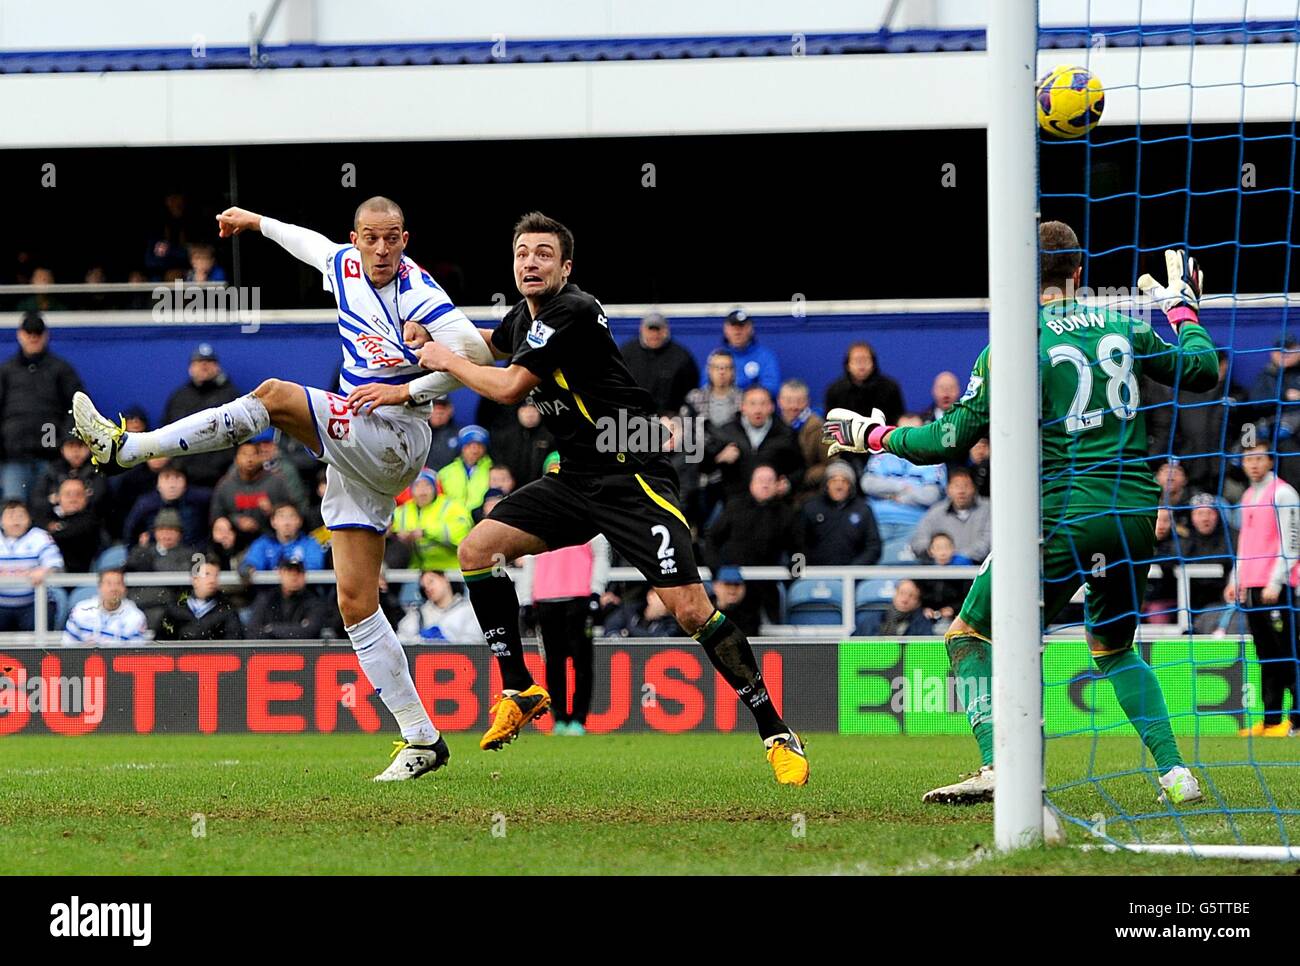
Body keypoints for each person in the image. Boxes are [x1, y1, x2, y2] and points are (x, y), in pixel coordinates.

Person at [73, 196, 495, 780]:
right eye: (370, 237)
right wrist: (255, 223)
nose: (380, 248)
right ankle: (421, 738)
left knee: (272, 397)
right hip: (358, 448)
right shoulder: (344, 263)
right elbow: (309, 244)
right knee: (356, 602)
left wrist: (410, 390)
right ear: (356, 236)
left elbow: (474, 356)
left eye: (392, 238)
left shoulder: (420, 292)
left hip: (395, 435)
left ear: (405, 238)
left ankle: (128, 449)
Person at [824, 225, 1218, 806]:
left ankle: (996, 767)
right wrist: (1180, 307)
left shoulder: (1014, 341)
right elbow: (1203, 369)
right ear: (1079, 274)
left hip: (1064, 514)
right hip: (1136, 513)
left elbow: (949, 437)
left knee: (969, 634)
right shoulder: (1124, 325)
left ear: (1021, 275)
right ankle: (1175, 773)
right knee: (1113, 648)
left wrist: (873, 434)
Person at [415, 211, 809, 784]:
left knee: (692, 611)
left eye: (544, 253)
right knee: (477, 550)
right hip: (576, 478)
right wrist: (429, 339)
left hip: (634, 475)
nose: (531, 261)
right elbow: (483, 346)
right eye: (523, 252)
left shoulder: (572, 309)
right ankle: (521, 688)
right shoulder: (521, 319)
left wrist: (443, 358)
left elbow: (505, 385)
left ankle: (775, 729)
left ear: (565, 266)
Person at [1224, 444, 1300, 736]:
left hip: (1275, 588)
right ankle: (1270, 720)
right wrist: (1236, 579)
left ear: (1269, 461)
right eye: (1248, 459)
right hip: (1253, 587)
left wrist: (1276, 580)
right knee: (1266, 654)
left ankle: (1296, 720)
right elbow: (1245, 544)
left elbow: (1291, 541)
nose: (1253, 464)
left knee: (1287, 652)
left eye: (1258, 459)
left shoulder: (1283, 493)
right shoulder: (1248, 496)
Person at [523, 527, 610, 736]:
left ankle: (579, 718)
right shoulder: (538, 519)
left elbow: (601, 555)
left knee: (581, 662)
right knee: (553, 664)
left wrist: (596, 590)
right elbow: (530, 561)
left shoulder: (587, 517)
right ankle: (559, 718)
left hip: (579, 597)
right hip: (545, 599)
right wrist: (526, 599)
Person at [0, 313, 84, 505]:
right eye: (29, 332)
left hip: (51, 457)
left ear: (46, 335)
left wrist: (67, 442)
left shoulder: (61, 369)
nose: (33, 337)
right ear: (20, 334)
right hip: (13, 458)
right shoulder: (6, 371)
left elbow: (78, 406)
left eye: (37, 332)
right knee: (13, 509)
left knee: (46, 509)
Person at [706, 464, 799, 626]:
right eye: (761, 480)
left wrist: (795, 569)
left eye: (770, 480)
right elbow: (711, 539)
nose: (765, 484)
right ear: (751, 484)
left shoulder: (786, 514)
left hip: (767, 589)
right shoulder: (734, 507)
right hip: (734, 586)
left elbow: (799, 549)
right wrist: (717, 570)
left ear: (778, 485)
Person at [703, 385, 805, 501]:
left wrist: (789, 483)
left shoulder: (786, 433)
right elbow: (702, 467)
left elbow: (800, 468)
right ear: (743, 407)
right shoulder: (726, 432)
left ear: (771, 407)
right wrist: (719, 458)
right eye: (752, 404)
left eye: (763, 404)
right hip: (734, 502)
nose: (758, 410)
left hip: (774, 504)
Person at [860, 413, 946, 551]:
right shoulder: (882, 455)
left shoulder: (933, 458)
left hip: (915, 522)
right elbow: (868, 483)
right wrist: (902, 486)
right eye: (903, 431)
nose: (908, 437)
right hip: (879, 520)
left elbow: (932, 495)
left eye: (913, 432)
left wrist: (895, 495)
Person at [161, 343, 241, 488]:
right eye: (199, 362)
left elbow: (242, 436)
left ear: (217, 367)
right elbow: (166, 432)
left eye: (209, 362)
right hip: (184, 479)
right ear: (191, 368)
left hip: (222, 477)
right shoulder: (179, 397)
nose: (204, 366)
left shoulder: (231, 396)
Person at [799, 460, 881, 566]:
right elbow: (799, 544)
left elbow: (873, 546)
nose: (839, 486)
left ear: (850, 486)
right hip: (815, 575)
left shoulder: (863, 510)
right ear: (827, 484)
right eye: (833, 480)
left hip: (854, 578)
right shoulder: (811, 508)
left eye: (844, 481)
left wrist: (854, 569)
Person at [390, 469, 472, 572]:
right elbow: (392, 533)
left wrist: (425, 532)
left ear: (435, 488)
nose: (422, 491)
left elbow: (461, 532)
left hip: (451, 571)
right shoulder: (401, 511)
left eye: (427, 485)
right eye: (417, 486)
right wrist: (398, 537)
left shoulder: (452, 506)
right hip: (416, 572)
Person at [0, 500, 63, 632]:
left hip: (33, 603)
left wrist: (45, 570)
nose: (15, 521)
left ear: (29, 519)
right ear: (1, 520)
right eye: (10, 516)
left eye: (20, 516)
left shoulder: (39, 536)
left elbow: (55, 563)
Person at [620, 312, 700, 414]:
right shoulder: (626, 353)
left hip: (670, 418)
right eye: (650, 329)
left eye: (658, 330)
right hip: (633, 416)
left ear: (666, 330)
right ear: (642, 329)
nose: (654, 334)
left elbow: (691, 390)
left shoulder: (681, 357)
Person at [908, 467, 991, 563]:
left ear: (974, 488)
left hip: (978, 569)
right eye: (956, 486)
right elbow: (918, 541)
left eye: (966, 485)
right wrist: (934, 553)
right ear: (948, 489)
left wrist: (958, 557)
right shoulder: (936, 512)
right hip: (939, 570)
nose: (961, 491)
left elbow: (988, 542)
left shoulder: (988, 509)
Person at [122, 460, 211, 549]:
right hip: (156, 557)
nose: (172, 485)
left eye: (177, 477)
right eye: (166, 478)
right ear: (158, 483)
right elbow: (130, 532)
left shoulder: (201, 499)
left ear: (185, 482)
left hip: (195, 554)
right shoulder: (145, 504)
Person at [156, 558, 244, 641]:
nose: (212, 580)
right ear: (195, 579)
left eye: (216, 576)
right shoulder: (175, 608)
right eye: (207, 574)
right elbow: (162, 641)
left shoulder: (226, 609)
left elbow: (233, 642)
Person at [247, 555, 332, 640]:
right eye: (289, 571)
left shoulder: (314, 601)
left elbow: (309, 632)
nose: (294, 577)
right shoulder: (267, 599)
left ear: (304, 575)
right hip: (271, 652)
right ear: (280, 573)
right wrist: (296, 628)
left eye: (298, 572)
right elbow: (253, 631)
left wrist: (271, 629)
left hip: (302, 651)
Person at [824, 341, 904, 426]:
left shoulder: (890, 388)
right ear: (848, 364)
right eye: (857, 360)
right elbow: (830, 424)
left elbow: (897, 420)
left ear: (873, 363)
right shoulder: (835, 391)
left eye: (865, 360)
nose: (861, 365)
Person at [62, 568, 148, 645]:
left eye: (118, 583)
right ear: (99, 587)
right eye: (108, 584)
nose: (114, 589)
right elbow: (68, 645)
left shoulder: (136, 617)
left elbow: (136, 656)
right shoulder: (81, 610)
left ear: (125, 589)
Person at [34, 477, 102, 573]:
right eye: (68, 494)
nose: (73, 499)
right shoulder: (47, 516)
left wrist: (54, 529)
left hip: (83, 578)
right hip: (50, 579)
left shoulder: (91, 519)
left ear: (86, 498)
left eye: (78, 494)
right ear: (57, 497)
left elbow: (70, 534)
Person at [397, 569, 482, 643]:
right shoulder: (418, 614)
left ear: (445, 578)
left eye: (431, 581)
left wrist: (448, 642)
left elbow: (474, 642)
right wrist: (421, 641)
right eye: (424, 587)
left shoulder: (468, 610)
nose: (428, 588)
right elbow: (402, 638)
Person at [778, 378, 829, 501]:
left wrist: (801, 479)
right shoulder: (774, 425)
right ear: (779, 401)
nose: (793, 406)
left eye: (799, 401)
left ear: (807, 402)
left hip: (807, 490)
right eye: (788, 401)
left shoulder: (818, 427)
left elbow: (830, 464)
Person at [241, 502, 325, 573]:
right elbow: (252, 562)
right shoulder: (263, 543)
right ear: (273, 522)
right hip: (269, 591)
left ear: (299, 521)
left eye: (291, 517)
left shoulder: (310, 543)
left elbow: (314, 566)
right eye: (281, 517)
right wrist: (248, 568)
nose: (286, 523)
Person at [717, 309, 780, 396]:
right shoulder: (717, 357)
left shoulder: (764, 356)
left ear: (750, 329)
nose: (737, 332)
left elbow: (772, 387)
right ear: (726, 330)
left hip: (755, 407)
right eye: (733, 327)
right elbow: (706, 386)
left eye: (741, 327)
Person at [491, 403, 555, 487]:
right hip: (511, 488)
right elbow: (497, 461)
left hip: (541, 487)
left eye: (533, 409)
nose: (529, 414)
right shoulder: (505, 435)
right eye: (525, 410)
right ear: (518, 411)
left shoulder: (550, 435)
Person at [437, 425, 494, 512]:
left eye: (479, 446)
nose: (474, 451)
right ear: (462, 448)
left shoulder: (492, 471)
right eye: (469, 446)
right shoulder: (446, 472)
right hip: (452, 519)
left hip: (481, 517)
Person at [855, 579, 931, 637]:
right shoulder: (869, 620)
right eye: (902, 593)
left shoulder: (923, 624)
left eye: (911, 596)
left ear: (918, 602)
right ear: (895, 593)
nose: (905, 600)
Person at [603, 588, 685, 638]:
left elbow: (661, 641)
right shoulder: (630, 611)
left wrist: (628, 633)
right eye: (665, 597)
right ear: (651, 596)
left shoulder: (672, 623)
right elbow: (611, 630)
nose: (669, 603)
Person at [424, 397, 461, 469]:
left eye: (443, 408)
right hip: (422, 478)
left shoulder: (459, 435)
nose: (439, 412)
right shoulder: (418, 434)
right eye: (435, 407)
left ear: (450, 410)